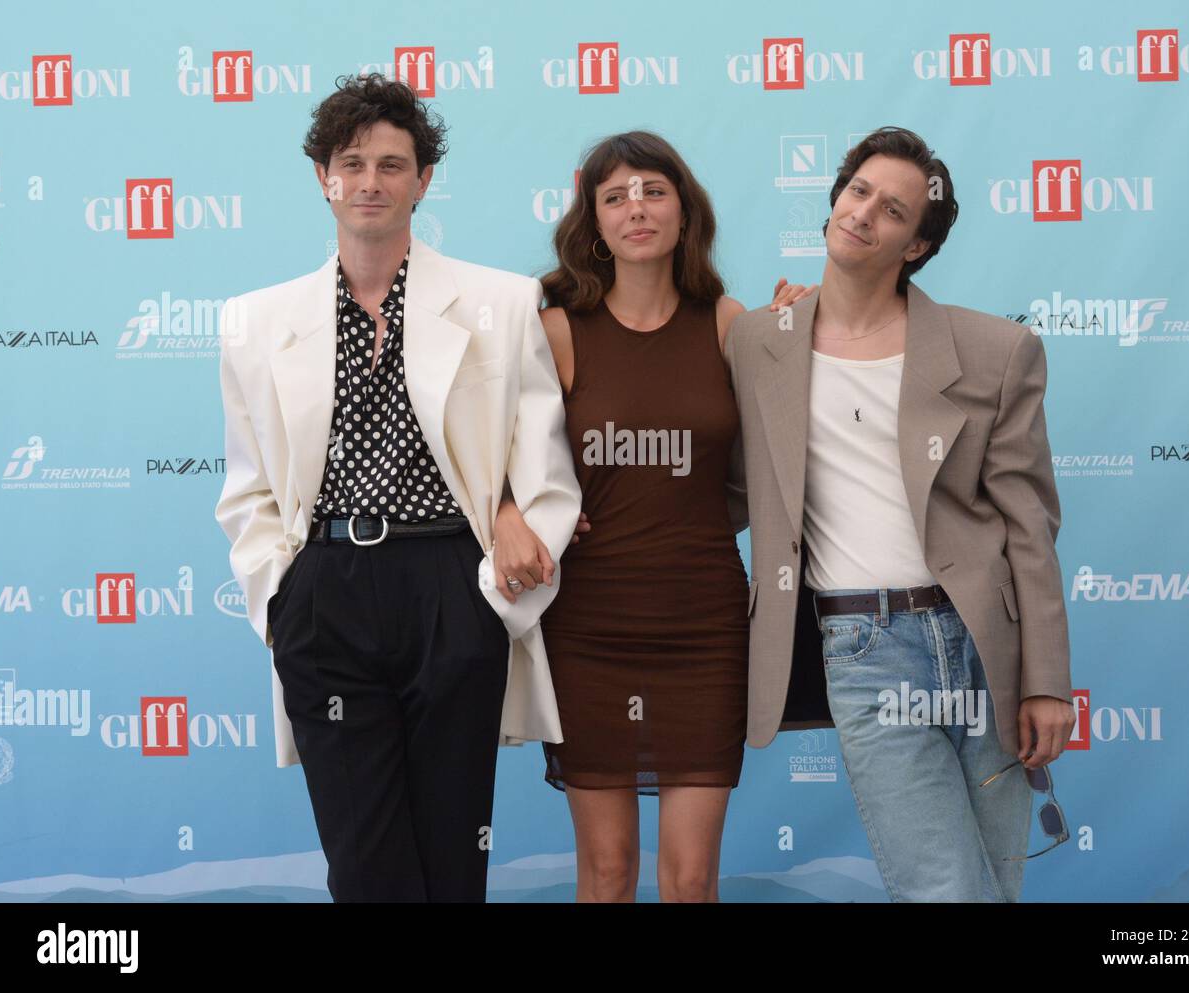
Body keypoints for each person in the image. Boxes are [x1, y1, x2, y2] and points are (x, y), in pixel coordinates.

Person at [213, 72, 581, 902]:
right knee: (365, 858)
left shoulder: (500, 302)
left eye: (391, 163)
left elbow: (545, 470)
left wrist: (501, 572)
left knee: (454, 856)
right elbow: (248, 491)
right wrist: (282, 599)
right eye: (352, 163)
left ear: (423, 179)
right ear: (323, 179)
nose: (370, 181)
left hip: (451, 584)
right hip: (326, 592)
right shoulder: (257, 322)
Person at [729, 126, 1076, 902]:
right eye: (858, 192)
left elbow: (1030, 525)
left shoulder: (995, 349)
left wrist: (1048, 679)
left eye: (893, 210)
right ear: (833, 202)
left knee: (994, 888)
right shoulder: (758, 338)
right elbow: (725, 485)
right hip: (865, 649)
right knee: (943, 889)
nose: (864, 214)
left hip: (987, 645)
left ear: (916, 245)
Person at [491, 131, 780, 903]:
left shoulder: (728, 323)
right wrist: (510, 513)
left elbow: (777, 458)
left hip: (704, 626)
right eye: (614, 196)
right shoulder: (556, 331)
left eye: (653, 190)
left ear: (685, 212)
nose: (636, 208)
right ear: (594, 221)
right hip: (588, 624)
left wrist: (795, 328)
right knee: (608, 872)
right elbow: (490, 461)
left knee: (690, 880)